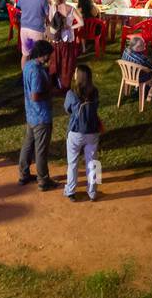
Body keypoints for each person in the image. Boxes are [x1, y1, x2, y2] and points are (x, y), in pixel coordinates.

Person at [19, 39, 58, 190]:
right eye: (48, 55)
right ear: (42, 55)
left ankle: (24, 174)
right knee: (41, 150)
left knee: (28, 145)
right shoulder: (37, 71)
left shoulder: (28, 65)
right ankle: (43, 180)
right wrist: (50, 93)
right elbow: (35, 96)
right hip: (41, 116)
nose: (49, 58)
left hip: (31, 115)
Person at [63, 63, 102, 201]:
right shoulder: (95, 91)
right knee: (93, 162)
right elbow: (96, 106)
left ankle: (70, 191)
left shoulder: (71, 93)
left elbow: (67, 109)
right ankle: (93, 192)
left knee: (72, 163)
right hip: (92, 132)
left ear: (78, 76)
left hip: (75, 132)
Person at [17, 0, 49, 69]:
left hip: (25, 29)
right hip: (37, 30)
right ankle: (37, 75)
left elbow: (19, 7)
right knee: (39, 55)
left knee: (26, 54)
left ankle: (25, 76)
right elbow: (47, 14)